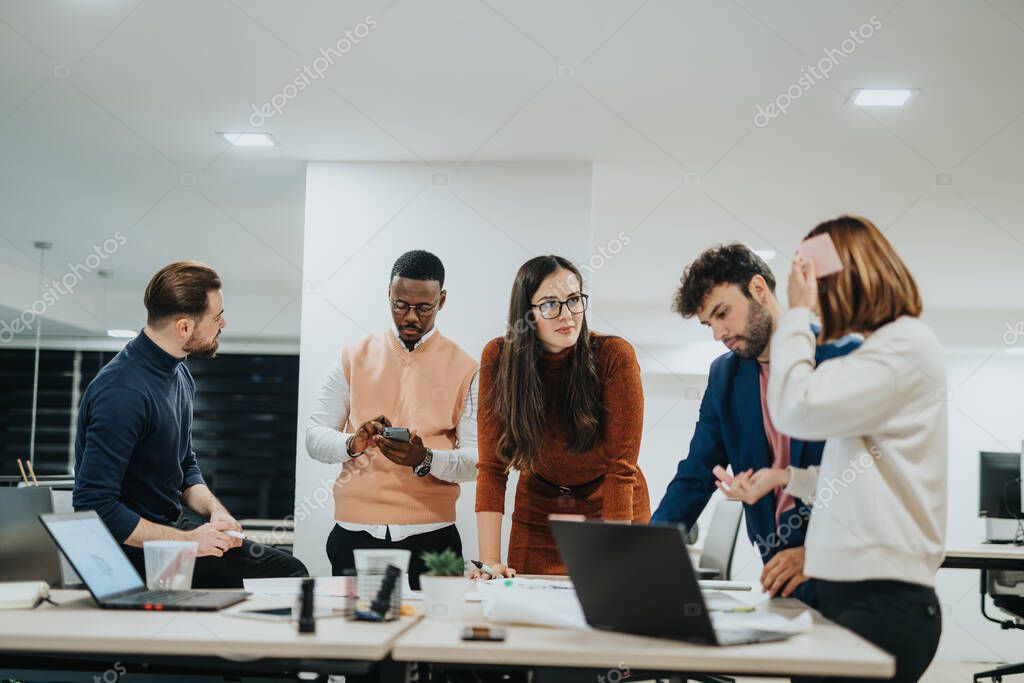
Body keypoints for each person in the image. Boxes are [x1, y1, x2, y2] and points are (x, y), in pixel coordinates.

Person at [719, 216, 946, 682]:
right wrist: (786, 479)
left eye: (810, 280)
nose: (805, 292)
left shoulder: (905, 346)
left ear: (845, 279)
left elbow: (794, 408)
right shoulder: (877, 351)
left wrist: (797, 317)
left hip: (883, 606)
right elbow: (856, 474)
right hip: (849, 598)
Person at [74, 261, 308, 588]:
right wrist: (188, 542)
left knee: (287, 572)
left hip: (174, 531)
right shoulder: (123, 392)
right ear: (184, 327)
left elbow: (185, 465)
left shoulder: (179, 373)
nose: (223, 323)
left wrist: (216, 512)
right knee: (288, 577)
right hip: (133, 553)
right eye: (217, 317)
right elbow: (95, 508)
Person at [650, 244, 860, 603]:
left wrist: (822, 556)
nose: (718, 333)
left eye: (723, 313)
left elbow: (868, 480)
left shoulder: (840, 355)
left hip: (851, 577)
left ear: (759, 289)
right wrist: (648, 551)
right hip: (780, 578)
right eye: (709, 323)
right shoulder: (724, 376)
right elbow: (697, 474)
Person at [307, 250, 478, 590]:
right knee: (355, 638)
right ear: (388, 293)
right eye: (400, 304)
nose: (410, 317)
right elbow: (315, 436)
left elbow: (478, 462)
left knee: (432, 637)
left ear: (441, 301)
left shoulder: (466, 368)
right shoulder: (352, 356)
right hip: (354, 536)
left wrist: (425, 459)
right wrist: (352, 443)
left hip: (433, 539)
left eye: (423, 308)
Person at [472, 255, 649, 579]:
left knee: (611, 605)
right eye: (551, 304)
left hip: (610, 505)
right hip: (540, 509)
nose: (567, 314)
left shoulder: (613, 356)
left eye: (574, 300)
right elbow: (492, 469)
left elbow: (620, 471)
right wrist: (488, 564)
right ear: (527, 313)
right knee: (527, 613)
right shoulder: (499, 358)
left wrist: (616, 558)